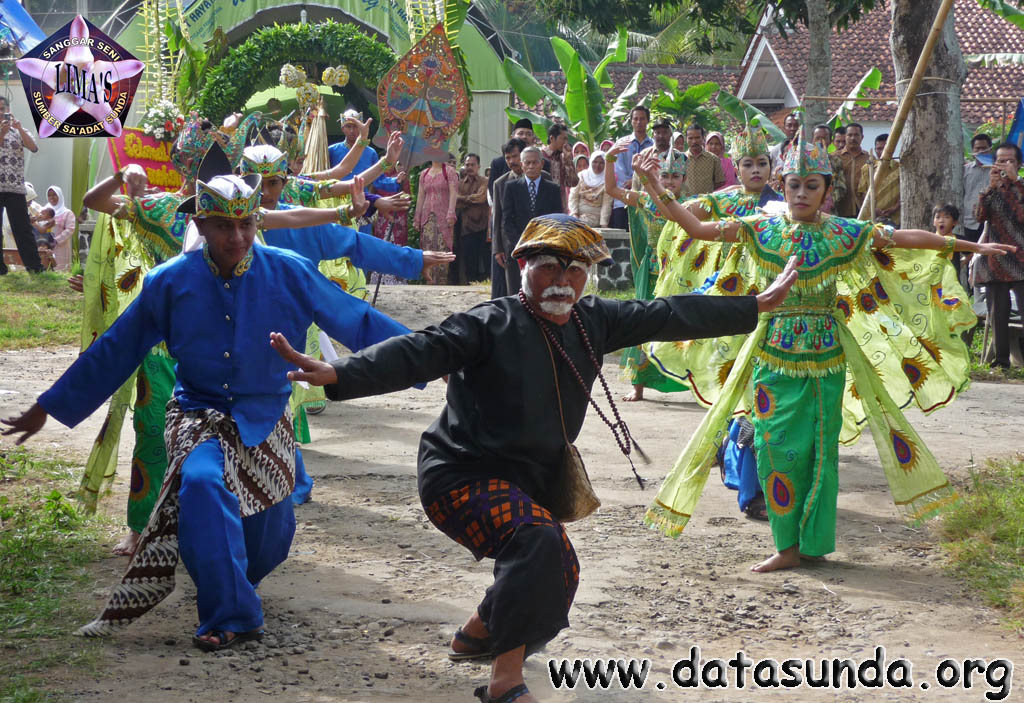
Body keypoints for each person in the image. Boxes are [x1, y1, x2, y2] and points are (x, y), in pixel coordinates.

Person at [268, 213, 799, 703]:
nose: (563, 283)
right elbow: (420, 350)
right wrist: (342, 374)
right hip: (460, 475)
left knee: (561, 570)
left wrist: (755, 305)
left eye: (576, 271)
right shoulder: (485, 323)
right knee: (536, 540)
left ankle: (476, 630)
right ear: (520, 266)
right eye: (548, 268)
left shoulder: (595, 321)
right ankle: (504, 682)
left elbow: (666, 313)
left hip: (529, 481)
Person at [1, 172, 414, 650]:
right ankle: (231, 614)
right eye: (222, 226)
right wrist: (48, 406)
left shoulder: (291, 271)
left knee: (268, 540)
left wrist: (428, 355)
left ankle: (234, 582)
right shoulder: (168, 282)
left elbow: (356, 318)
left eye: (245, 224)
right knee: (200, 484)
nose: (236, 237)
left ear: (257, 221)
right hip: (197, 411)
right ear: (199, 221)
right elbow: (115, 349)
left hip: (267, 415)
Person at [638, 137, 1013, 572]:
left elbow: (903, 238)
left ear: (826, 190)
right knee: (773, 447)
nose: (800, 194)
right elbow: (695, 229)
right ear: (783, 184)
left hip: (827, 362)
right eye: (793, 184)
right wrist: (652, 185)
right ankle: (786, 546)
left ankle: (813, 544)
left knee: (820, 453)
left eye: (810, 186)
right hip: (772, 358)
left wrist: (970, 247)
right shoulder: (760, 228)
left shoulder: (843, 233)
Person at [646, 127, 784, 406]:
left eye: (762, 163)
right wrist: (651, 182)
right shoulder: (728, 198)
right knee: (727, 350)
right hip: (732, 284)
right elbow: (677, 215)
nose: (755, 170)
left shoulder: (783, 205)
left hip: (773, 286)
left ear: (772, 167)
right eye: (747, 164)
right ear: (736, 167)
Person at [604, 140, 690, 401]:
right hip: (651, 272)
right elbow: (610, 189)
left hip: (680, 271)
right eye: (665, 175)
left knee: (683, 326)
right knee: (642, 323)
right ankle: (638, 385)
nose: (670, 180)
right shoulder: (645, 200)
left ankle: (694, 384)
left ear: (684, 178)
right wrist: (609, 160)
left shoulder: (692, 205)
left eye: (675, 176)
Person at [974, 142, 1024, 369]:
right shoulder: (991, 190)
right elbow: (979, 217)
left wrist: (1015, 182)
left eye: (1009, 161)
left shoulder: (1021, 187)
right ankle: (1001, 362)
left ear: (1019, 164)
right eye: (1000, 160)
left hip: (1021, 258)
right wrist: (990, 189)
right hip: (995, 258)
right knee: (998, 314)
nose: (1004, 165)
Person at [501, 146, 562, 293]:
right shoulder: (511, 187)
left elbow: (557, 219)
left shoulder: (553, 189)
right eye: (527, 163)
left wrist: (545, 242)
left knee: (542, 291)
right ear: (522, 165)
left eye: (534, 162)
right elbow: (507, 220)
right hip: (518, 248)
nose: (531, 166)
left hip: (545, 247)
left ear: (541, 164)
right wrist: (521, 244)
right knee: (517, 292)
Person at [0, 96, 42, 274]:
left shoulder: (18, 130)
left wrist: (18, 129)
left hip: (16, 188)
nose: (0, 112)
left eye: (3, 108)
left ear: (9, 110)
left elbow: (33, 147)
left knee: (23, 228)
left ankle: (34, 267)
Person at [491, 139, 527, 297]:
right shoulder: (500, 183)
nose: (512, 161)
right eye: (508, 158)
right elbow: (497, 218)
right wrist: (497, 249)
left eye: (515, 156)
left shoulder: (541, 178)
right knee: (513, 290)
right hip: (509, 245)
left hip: (535, 240)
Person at [414, 159, 459, 284]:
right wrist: (417, 217)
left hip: (444, 217)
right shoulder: (424, 174)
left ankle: (442, 281)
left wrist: (451, 212)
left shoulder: (449, 172)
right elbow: (421, 196)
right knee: (428, 247)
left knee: (442, 248)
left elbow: (453, 193)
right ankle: (429, 280)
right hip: (427, 218)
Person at [611, 106, 654, 229]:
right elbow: (617, 169)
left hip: (647, 200)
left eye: (642, 119)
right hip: (623, 199)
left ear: (647, 121)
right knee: (622, 241)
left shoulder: (654, 145)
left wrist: (637, 180)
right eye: (635, 119)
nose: (639, 122)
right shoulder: (622, 143)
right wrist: (632, 181)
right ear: (631, 121)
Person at [456, 153, 490, 283]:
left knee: (485, 261)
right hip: (466, 228)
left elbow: (481, 198)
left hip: (483, 227)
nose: (469, 167)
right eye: (467, 164)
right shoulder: (459, 184)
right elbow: (456, 202)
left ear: (479, 166)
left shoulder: (485, 181)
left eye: (472, 164)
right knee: (470, 262)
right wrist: (470, 199)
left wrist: (463, 199)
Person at [540, 124, 579, 211]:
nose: (566, 143)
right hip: (543, 206)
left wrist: (568, 160)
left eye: (567, 139)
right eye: (563, 138)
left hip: (560, 206)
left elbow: (573, 182)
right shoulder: (540, 156)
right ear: (552, 138)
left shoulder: (564, 157)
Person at [568, 151, 610, 227]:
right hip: (577, 216)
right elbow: (573, 196)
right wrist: (574, 214)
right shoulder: (581, 175)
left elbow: (606, 204)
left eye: (601, 163)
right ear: (591, 162)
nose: (597, 165)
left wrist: (604, 224)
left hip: (594, 219)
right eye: (595, 162)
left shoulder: (607, 180)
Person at [811, 124, 847, 214]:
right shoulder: (805, 161)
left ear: (830, 141)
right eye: (817, 138)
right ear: (812, 140)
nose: (820, 141)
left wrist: (828, 202)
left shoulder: (835, 161)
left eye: (824, 138)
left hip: (830, 210)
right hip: (808, 207)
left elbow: (841, 186)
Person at [682, 124, 726, 197]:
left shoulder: (713, 159)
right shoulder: (681, 159)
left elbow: (720, 182)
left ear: (703, 138)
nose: (694, 141)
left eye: (697, 138)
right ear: (686, 139)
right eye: (690, 138)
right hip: (685, 203)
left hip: (706, 204)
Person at [837, 122, 870, 217]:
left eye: (856, 135)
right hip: (841, 208)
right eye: (850, 135)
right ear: (845, 137)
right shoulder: (834, 158)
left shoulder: (869, 159)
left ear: (862, 137)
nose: (853, 138)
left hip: (863, 208)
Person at [42, 186, 77, 271]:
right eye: (49, 195)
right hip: (45, 246)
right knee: (46, 269)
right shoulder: (43, 211)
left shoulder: (67, 213)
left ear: (60, 196)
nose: (51, 197)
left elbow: (70, 229)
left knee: (60, 270)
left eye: (54, 195)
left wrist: (56, 240)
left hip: (61, 247)